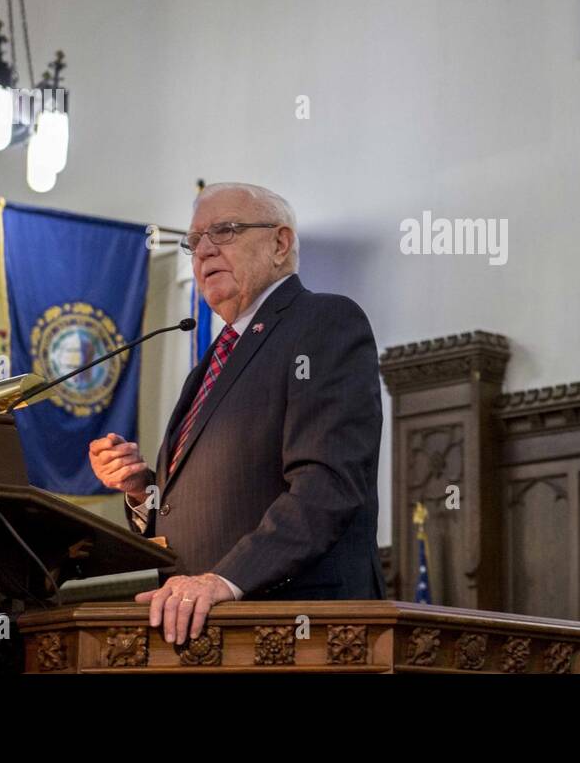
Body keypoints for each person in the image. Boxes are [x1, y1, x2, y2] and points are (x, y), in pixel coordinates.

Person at [89, 182, 385, 645]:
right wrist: (140, 490)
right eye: (193, 241)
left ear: (280, 243)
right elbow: (176, 513)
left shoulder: (324, 322)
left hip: (296, 628)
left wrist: (225, 580)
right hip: (196, 626)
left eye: (223, 231)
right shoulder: (209, 365)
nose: (203, 250)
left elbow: (328, 484)